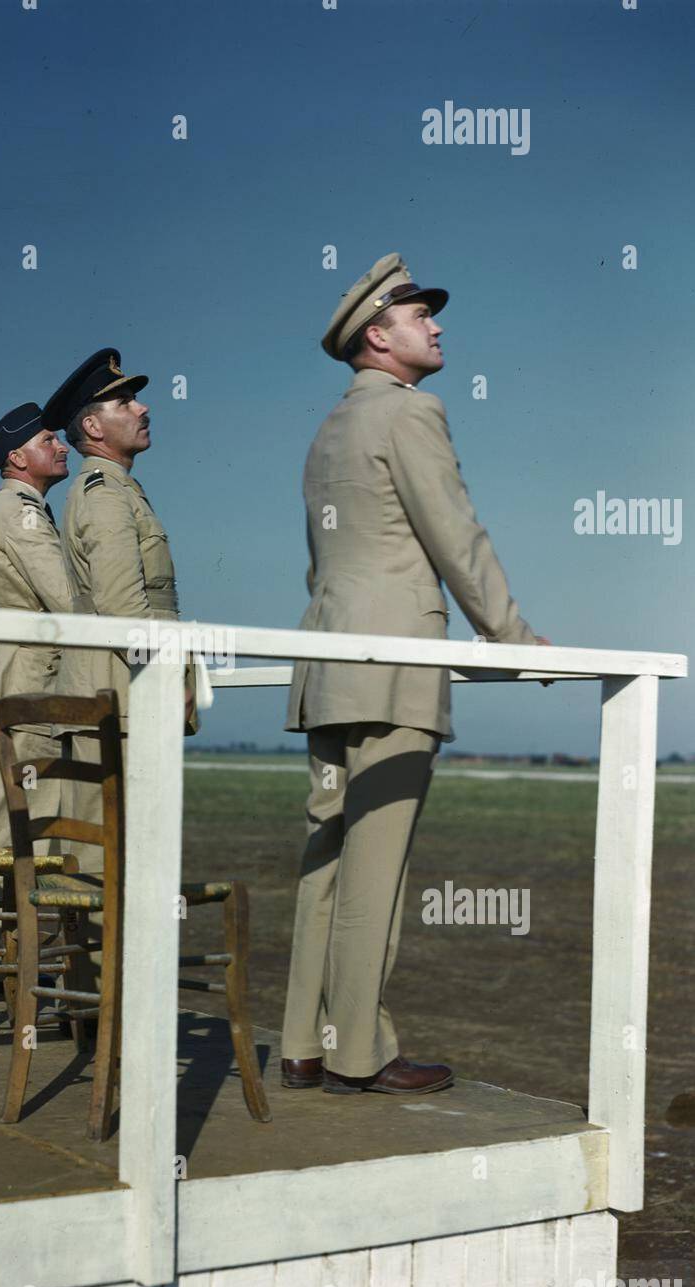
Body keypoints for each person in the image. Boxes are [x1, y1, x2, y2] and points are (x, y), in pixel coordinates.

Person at [281, 252, 549, 1096]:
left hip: (327, 662)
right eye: (417, 315)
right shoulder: (411, 414)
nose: (434, 326)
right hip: (394, 663)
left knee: (326, 853)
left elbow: (325, 559)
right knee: (375, 865)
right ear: (377, 335)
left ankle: (300, 1042)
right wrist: (510, 636)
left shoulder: (329, 429)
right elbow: (452, 536)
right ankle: (357, 1051)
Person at [41, 348, 196, 875]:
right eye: (125, 401)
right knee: (108, 862)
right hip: (121, 700)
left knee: (127, 856)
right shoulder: (105, 495)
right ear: (92, 425)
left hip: (124, 698)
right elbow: (124, 607)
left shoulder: (119, 489)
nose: (143, 408)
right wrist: (169, 678)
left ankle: (112, 959)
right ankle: (102, 960)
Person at [0, 401, 71, 960]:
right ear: (16, 457)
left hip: (1, 683)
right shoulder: (22, 515)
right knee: (14, 825)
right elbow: (70, 602)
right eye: (50, 440)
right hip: (24, 690)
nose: (62, 446)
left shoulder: (2, 510)